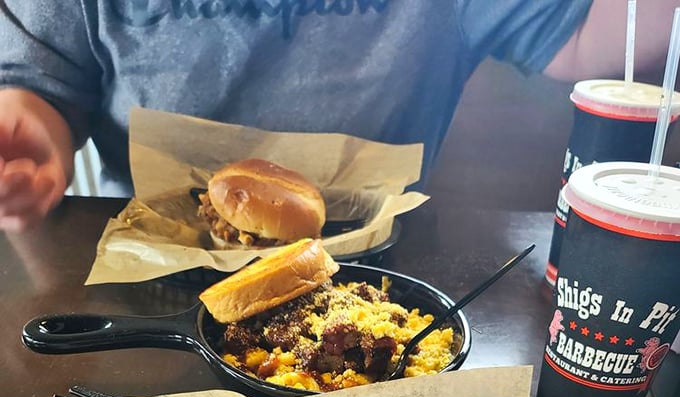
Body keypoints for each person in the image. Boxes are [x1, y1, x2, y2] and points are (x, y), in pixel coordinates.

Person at [0, 0, 677, 232]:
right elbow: (41, 80)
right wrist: (33, 132)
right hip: (146, 263)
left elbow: (589, 36)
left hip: (384, 268)